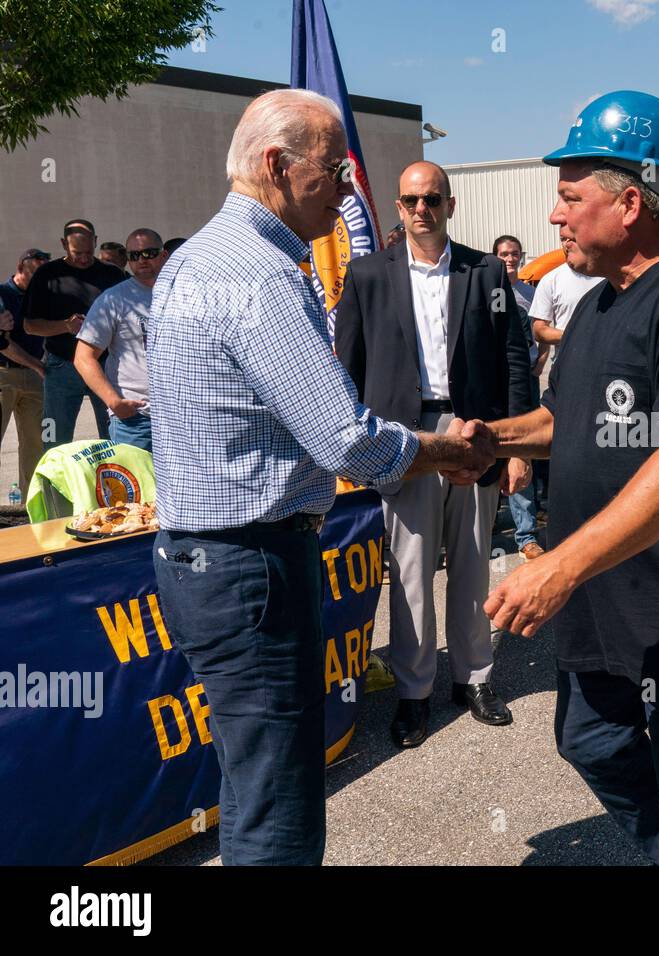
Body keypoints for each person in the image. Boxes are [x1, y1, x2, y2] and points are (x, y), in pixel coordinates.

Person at [148, 88, 494, 865]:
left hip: (206, 555)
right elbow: (346, 439)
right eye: (336, 169)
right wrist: (445, 451)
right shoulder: (263, 274)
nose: (347, 189)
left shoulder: (194, 258)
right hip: (252, 562)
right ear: (278, 165)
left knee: (254, 778)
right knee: (280, 797)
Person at [457, 90, 659, 865]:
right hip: (607, 594)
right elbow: (567, 425)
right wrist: (478, 441)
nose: (556, 217)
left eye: (569, 197)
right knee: (591, 741)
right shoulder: (599, 306)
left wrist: (557, 566)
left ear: (630, 201)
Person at [335, 162, 532, 739]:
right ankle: (413, 689)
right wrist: (350, 448)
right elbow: (347, 365)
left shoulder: (488, 272)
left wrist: (517, 447)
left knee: (473, 560)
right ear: (398, 207)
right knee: (412, 566)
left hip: (475, 430)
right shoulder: (368, 275)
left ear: (451, 203)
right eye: (411, 200)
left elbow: (513, 359)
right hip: (404, 436)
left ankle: (473, 676)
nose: (422, 209)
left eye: (433, 199)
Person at [24, 220, 123, 448]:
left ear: (96, 242)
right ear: (63, 244)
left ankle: (113, 482)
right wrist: (65, 326)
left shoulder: (112, 275)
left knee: (114, 437)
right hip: (62, 367)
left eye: (89, 252)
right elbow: (30, 325)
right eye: (77, 252)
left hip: (104, 365)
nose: (84, 258)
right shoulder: (47, 275)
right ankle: (54, 483)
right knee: (54, 438)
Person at [73, 229, 167, 451]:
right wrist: (114, 402)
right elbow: (83, 357)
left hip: (182, 416)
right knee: (134, 486)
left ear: (163, 255)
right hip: (136, 419)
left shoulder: (183, 293)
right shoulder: (114, 299)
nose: (141, 260)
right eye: (134, 255)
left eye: (149, 253)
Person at [494, 233, 547, 560]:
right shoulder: (487, 291)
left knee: (521, 449)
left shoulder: (530, 293)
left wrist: (539, 360)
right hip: (494, 382)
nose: (510, 259)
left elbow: (543, 331)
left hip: (523, 381)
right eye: (503, 254)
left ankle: (525, 534)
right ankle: (486, 528)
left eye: (514, 253)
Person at [0, 248, 50, 500]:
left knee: (35, 445)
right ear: (21, 265)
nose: (41, 274)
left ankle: (30, 503)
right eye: (36, 267)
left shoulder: (41, 296)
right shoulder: (2, 294)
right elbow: (3, 343)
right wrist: (38, 365)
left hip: (33, 376)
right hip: (4, 374)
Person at [529, 260, 602, 365]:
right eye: (563, 241)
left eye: (573, 241)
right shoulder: (551, 279)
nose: (568, 244)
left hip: (607, 364)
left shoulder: (608, 275)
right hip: (567, 365)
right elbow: (539, 330)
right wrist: (578, 336)